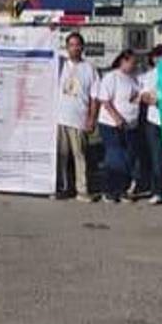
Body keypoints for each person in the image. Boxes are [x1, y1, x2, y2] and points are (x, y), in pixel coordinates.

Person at [56, 33, 100, 202]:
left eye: (77, 45)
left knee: (80, 155)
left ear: (82, 47)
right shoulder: (59, 64)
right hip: (60, 117)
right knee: (61, 155)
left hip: (79, 118)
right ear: (66, 47)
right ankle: (63, 187)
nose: (74, 48)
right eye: (71, 45)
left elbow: (95, 97)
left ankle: (82, 190)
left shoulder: (90, 69)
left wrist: (92, 118)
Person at [95, 50, 141, 204]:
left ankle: (122, 189)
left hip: (131, 125)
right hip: (111, 124)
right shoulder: (112, 77)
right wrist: (117, 117)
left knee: (127, 158)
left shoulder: (134, 79)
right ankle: (109, 190)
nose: (135, 65)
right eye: (132, 62)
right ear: (123, 61)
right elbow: (105, 100)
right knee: (115, 157)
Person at [139, 44, 162, 204]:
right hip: (155, 121)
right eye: (159, 57)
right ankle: (157, 191)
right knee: (157, 157)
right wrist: (156, 102)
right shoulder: (150, 75)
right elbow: (144, 96)